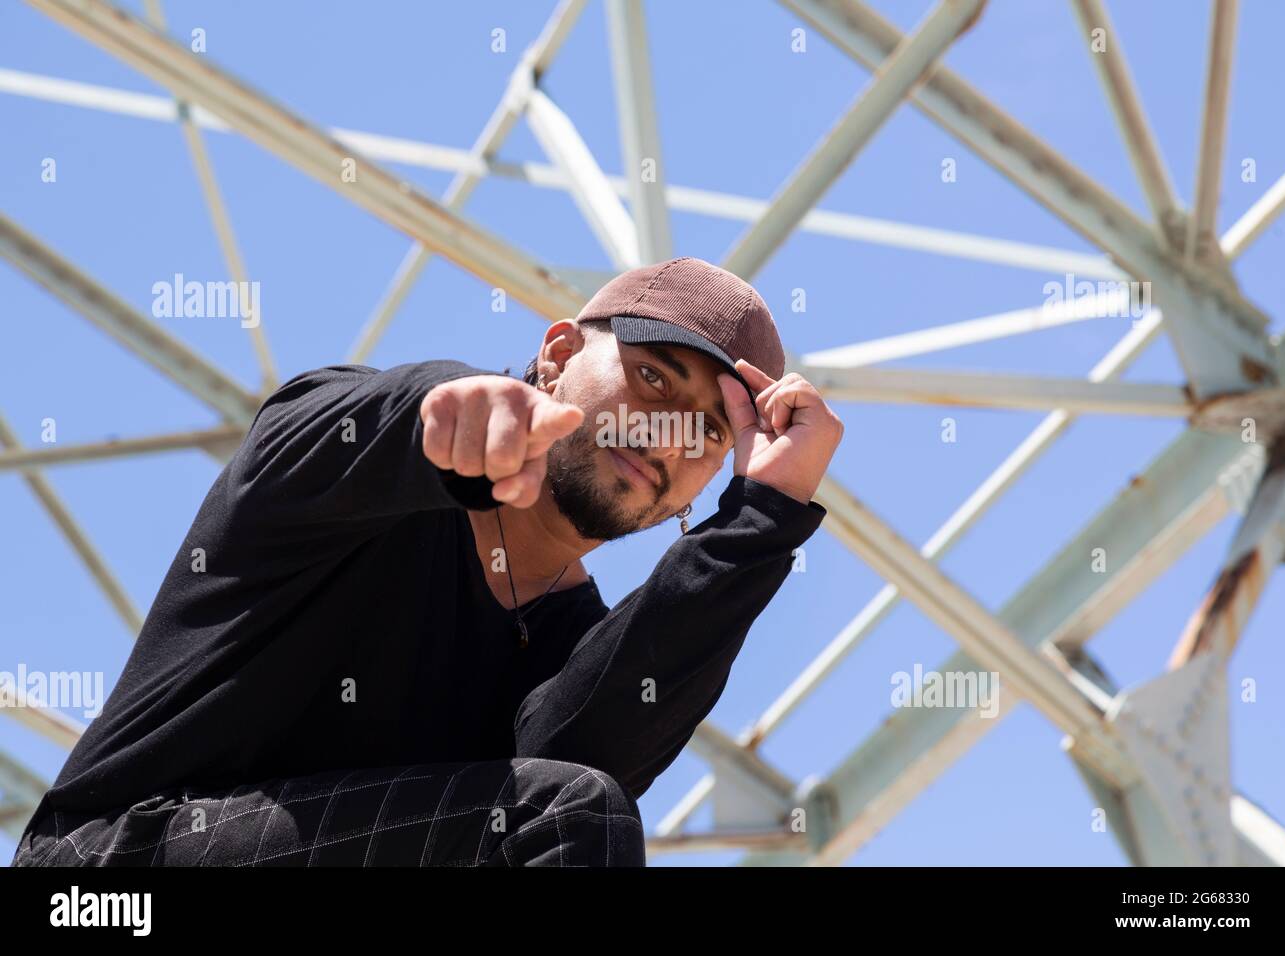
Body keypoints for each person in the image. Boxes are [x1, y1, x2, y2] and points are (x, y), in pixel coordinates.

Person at [11, 256, 842, 867]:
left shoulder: (578, 649)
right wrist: (452, 418)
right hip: (100, 885)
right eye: (653, 377)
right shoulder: (343, 460)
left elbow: (576, 770)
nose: (665, 434)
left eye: (707, 430)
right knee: (567, 813)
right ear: (555, 353)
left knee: (573, 809)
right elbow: (370, 427)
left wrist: (759, 521)